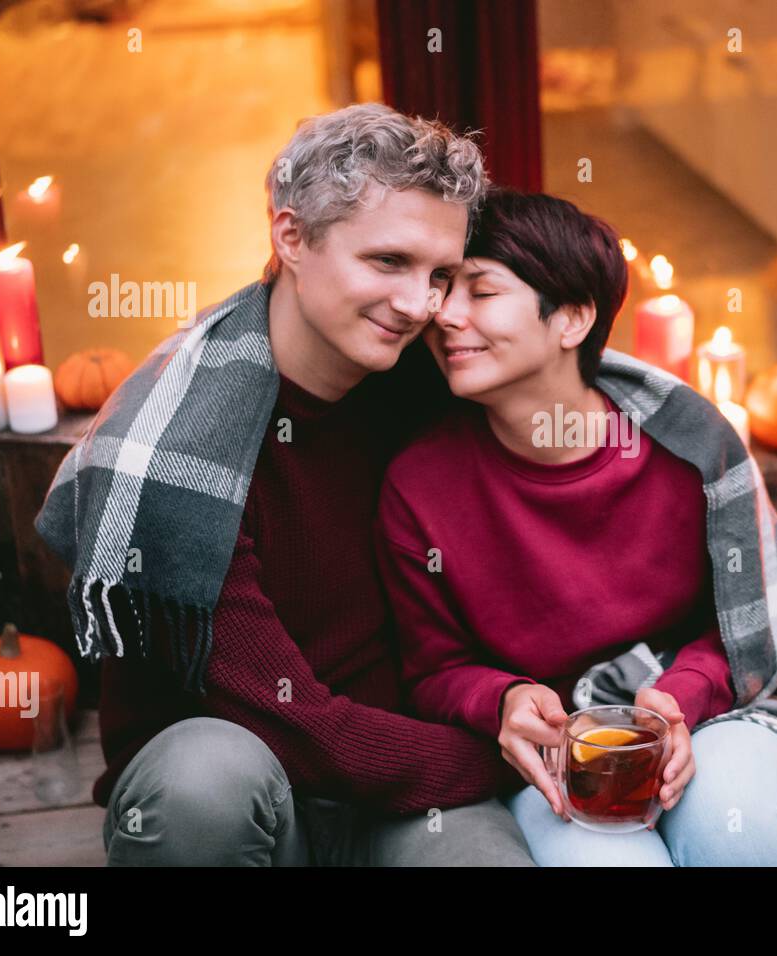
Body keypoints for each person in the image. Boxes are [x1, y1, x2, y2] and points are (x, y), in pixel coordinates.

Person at [35, 104, 534, 866]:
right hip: (251, 787)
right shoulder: (174, 445)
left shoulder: (429, 387)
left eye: (440, 275)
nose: (417, 305)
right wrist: (498, 759)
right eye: (388, 262)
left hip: (400, 789)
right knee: (203, 782)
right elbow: (305, 729)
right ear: (291, 236)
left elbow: (565, 392)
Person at [375, 191, 777, 866]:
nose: (444, 314)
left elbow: (741, 622)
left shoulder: (688, 450)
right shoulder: (418, 487)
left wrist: (679, 698)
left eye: (482, 290)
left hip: (704, 717)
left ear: (572, 319)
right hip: (557, 752)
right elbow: (432, 668)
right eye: (446, 290)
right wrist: (501, 697)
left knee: (744, 830)